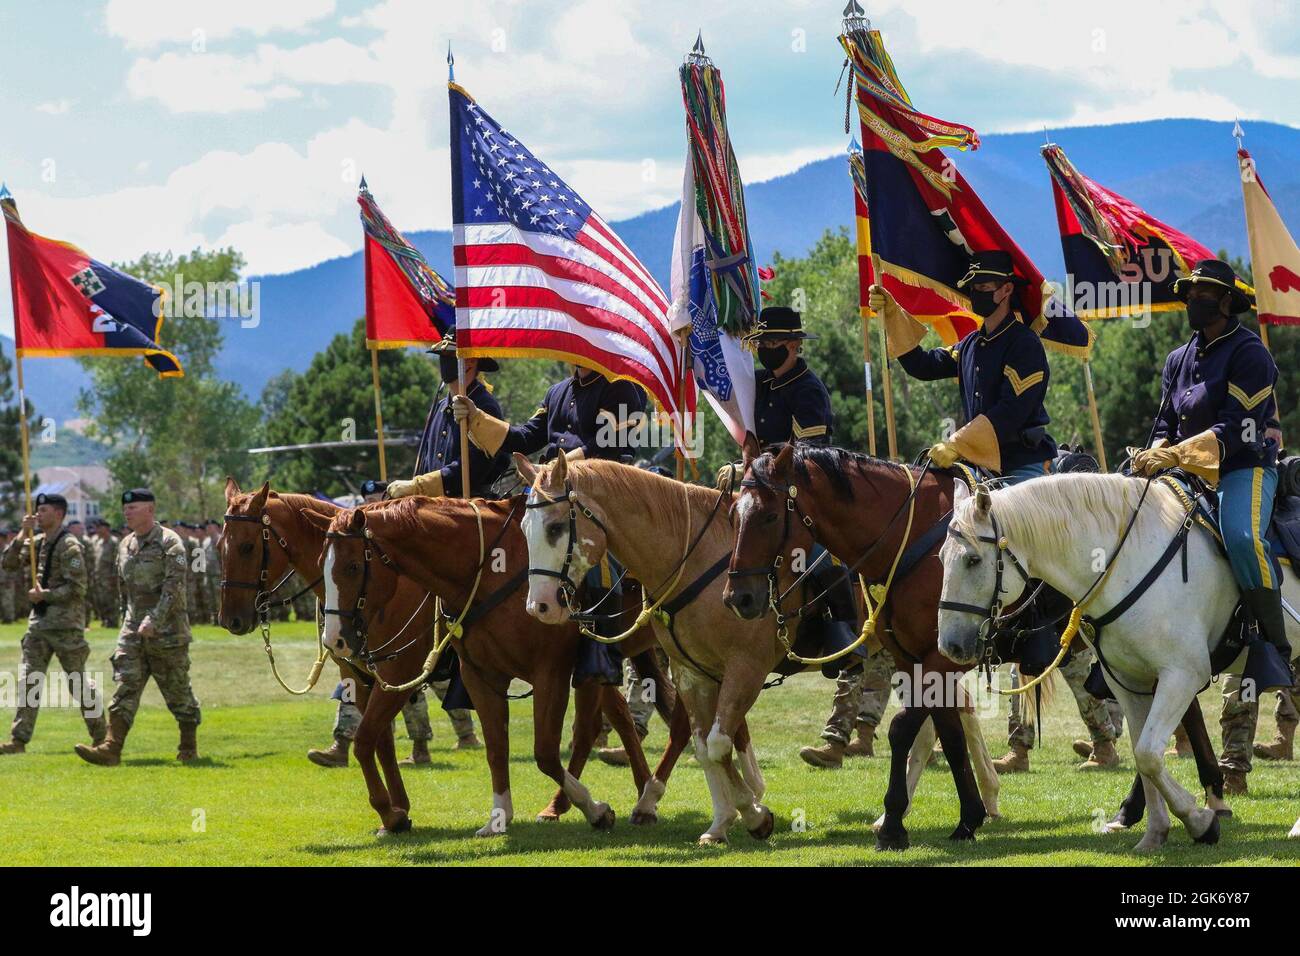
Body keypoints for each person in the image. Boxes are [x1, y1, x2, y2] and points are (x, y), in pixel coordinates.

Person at [871, 250, 1119, 772]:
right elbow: (922, 365)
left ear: (1006, 289)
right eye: (974, 285)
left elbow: (1011, 415)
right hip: (982, 475)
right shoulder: (973, 343)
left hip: (1025, 474)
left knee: (1037, 604)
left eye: (985, 284)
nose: (977, 291)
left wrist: (957, 444)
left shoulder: (1024, 345)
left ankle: (1099, 730)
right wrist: (894, 313)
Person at [1130, 258, 1290, 790]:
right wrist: (1153, 454)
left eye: (1203, 291)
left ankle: (1271, 641)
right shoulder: (1178, 358)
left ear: (1226, 300)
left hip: (1243, 470)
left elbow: (1240, 432)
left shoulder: (1251, 353)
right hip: (1183, 470)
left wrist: (1173, 454)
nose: (1193, 298)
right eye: (1190, 290)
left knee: (1242, 537)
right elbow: (1163, 422)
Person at [452, 356, 647, 685]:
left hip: (597, 496)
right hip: (548, 493)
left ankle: (599, 653)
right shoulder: (557, 391)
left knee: (600, 557)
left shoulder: (623, 387)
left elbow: (611, 445)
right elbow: (526, 438)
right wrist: (476, 418)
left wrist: (554, 470)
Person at [76, 488, 201, 766]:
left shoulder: (171, 543)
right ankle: (111, 748)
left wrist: (155, 619)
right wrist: (128, 624)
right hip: (133, 630)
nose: (127, 512)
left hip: (167, 631)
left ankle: (188, 746)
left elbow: (174, 586)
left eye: (133, 508)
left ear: (150, 510)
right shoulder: (125, 544)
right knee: (125, 686)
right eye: (125, 508)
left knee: (178, 690)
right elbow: (125, 590)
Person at [0, 493, 104, 754]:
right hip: (39, 626)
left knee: (77, 682)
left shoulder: (70, 546)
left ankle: (102, 736)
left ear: (59, 514)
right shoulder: (37, 544)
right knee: (29, 681)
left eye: (43, 510)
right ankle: (18, 740)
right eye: (37, 510)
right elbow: (8, 563)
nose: (38, 515)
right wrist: (23, 534)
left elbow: (77, 588)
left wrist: (44, 595)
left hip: (65, 626)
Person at [90, 519, 121, 629]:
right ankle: (104, 620)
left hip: (109, 577)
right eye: (96, 528)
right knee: (100, 600)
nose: (97, 530)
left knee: (111, 600)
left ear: (106, 528)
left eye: (99, 527)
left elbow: (117, 561)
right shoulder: (97, 542)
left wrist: (114, 576)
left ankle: (113, 621)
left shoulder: (113, 542)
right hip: (99, 577)